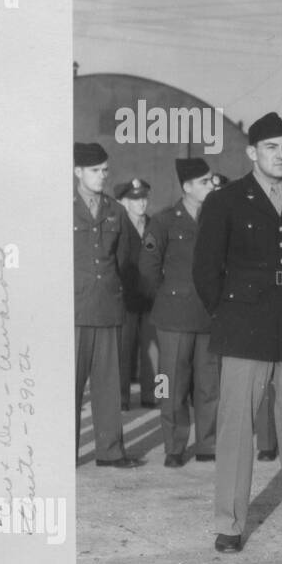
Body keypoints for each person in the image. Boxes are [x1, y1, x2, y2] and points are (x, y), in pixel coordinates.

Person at [193, 112, 282, 552]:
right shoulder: (226, 201)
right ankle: (230, 525)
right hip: (244, 328)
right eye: (272, 148)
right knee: (236, 430)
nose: (281, 155)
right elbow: (205, 271)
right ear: (252, 153)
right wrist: (232, 313)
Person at [138, 158, 219, 468]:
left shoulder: (217, 219)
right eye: (204, 182)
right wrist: (167, 294)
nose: (211, 186)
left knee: (209, 385)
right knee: (171, 385)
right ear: (186, 187)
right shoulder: (163, 221)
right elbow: (148, 267)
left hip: (209, 316)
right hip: (174, 316)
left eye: (211, 181)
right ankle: (174, 447)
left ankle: (207, 444)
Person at [73, 142, 145, 468]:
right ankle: (64, 452)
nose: (102, 176)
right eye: (94, 171)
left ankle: (110, 451)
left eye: (104, 170)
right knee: (69, 387)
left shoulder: (115, 210)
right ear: (78, 172)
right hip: (72, 310)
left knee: (108, 385)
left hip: (108, 308)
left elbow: (126, 258)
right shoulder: (61, 207)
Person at [115, 178, 159, 410]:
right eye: (135, 199)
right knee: (123, 350)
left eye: (144, 198)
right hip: (126, 299)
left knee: (154, 352)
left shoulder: (154, 225)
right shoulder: (118, 226)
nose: (141, 203)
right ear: (123, 202)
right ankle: (121, 399)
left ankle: (155, 395)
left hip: (151, 299)